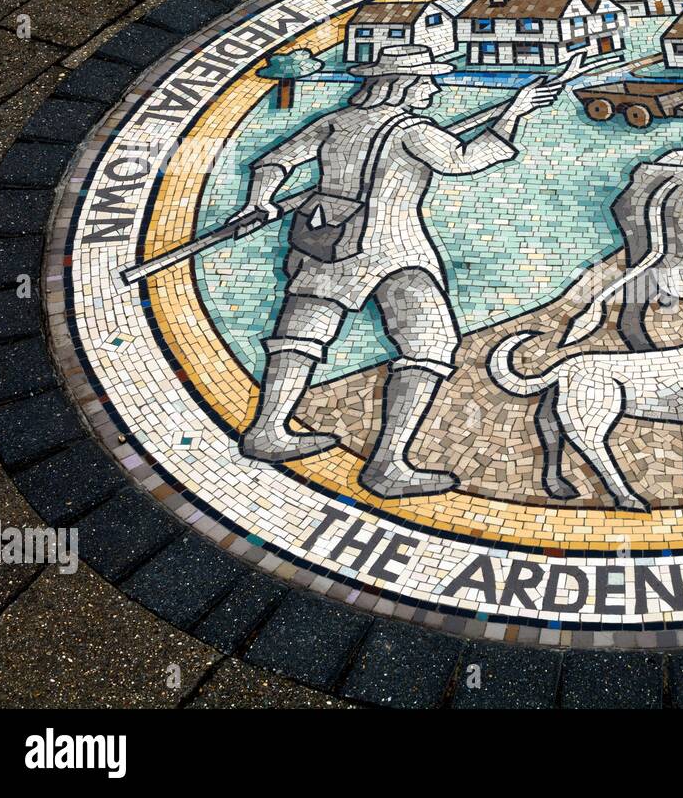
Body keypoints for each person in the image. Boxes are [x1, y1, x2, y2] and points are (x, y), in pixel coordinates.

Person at [231, 44, 560, 498]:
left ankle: (266, 430)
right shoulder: (413, 131)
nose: (434, 86)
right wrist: (514, 114)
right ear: (400, 84)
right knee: (430, 344)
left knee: (301, 335)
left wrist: (259, 201)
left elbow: (271, 161)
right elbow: (463, 161)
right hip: (394, 249)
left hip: (325, 236)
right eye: (426, 79)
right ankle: (387, 465)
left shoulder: (337, 122)